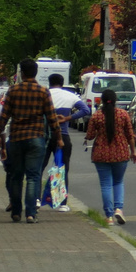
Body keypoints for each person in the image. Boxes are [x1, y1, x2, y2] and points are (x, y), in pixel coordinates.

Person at [0, 59, 58, 224]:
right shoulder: (43, 92)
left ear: (21, 73)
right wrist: (58, 138)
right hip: (36, 139)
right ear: (36, 73)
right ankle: (31, 214)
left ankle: (16, 212)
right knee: (33, 176)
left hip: (16, 138)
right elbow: (52, 118)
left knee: (16, 176)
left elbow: (4, 116)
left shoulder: (13, 90)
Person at [84, 89, 136, 224]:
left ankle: (109, 217)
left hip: (101, 154)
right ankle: (118, 209)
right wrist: (133, 152)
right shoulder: (123, 114)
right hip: (121, 153)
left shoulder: (97, 116)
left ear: (101, 100)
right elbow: (130, 135)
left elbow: (90, 135)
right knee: (118, 182)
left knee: (106, 185)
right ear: (115, 100)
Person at [48, 74, 85, 207]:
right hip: (63, 136)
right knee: (63, 168)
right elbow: (85, 110)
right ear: (62, 83)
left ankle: (36, 200)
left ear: (49, 83)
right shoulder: (70, 96)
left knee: (39, 168)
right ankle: (62, 203)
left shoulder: (44, 94)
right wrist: (68, 118)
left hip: (45, 135)